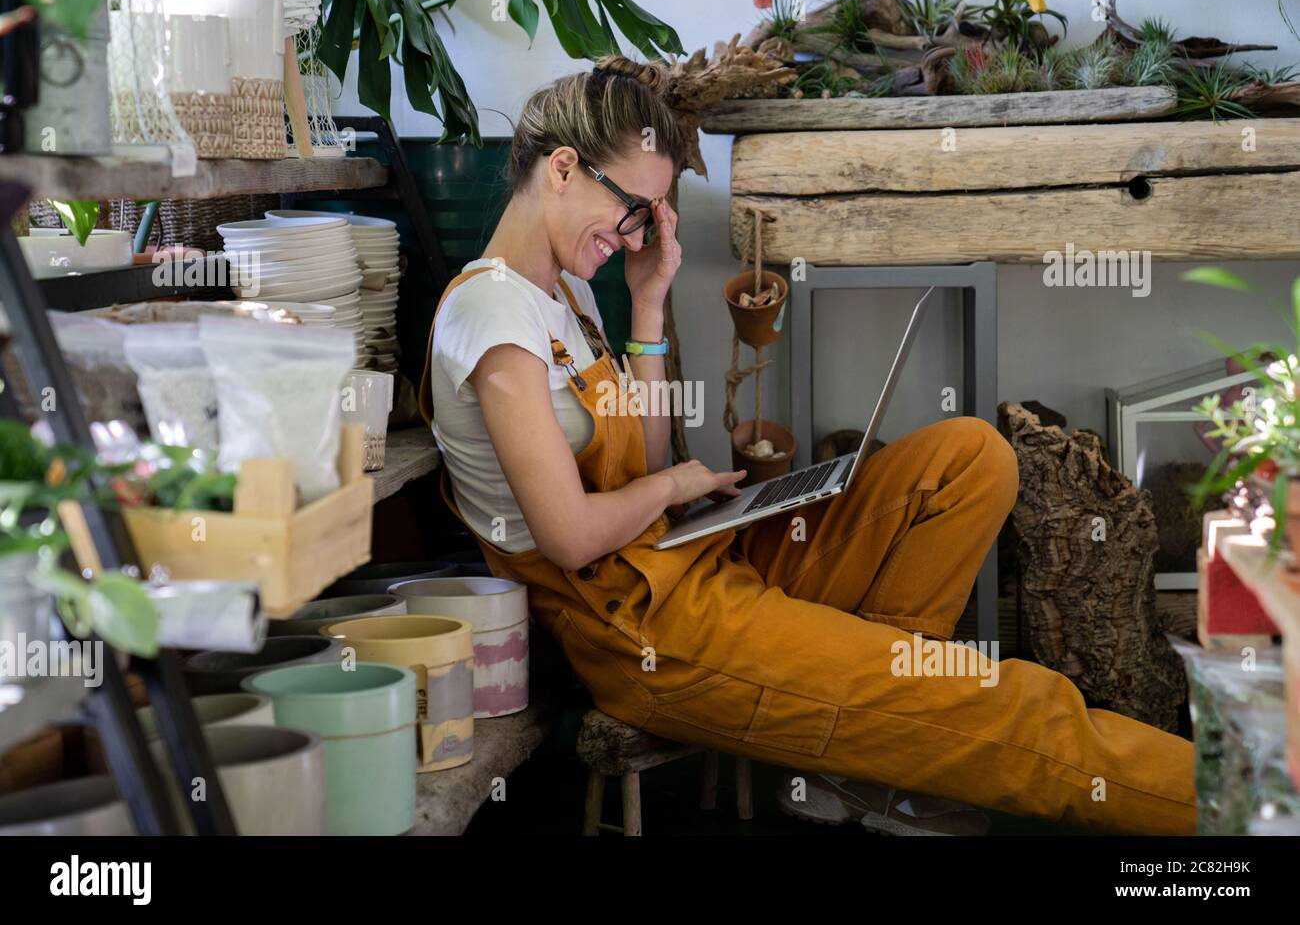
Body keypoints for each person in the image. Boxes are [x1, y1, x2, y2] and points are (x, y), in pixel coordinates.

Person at [419, 56, 1195, 835]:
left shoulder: (568, 291)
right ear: (563, 169)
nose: (635, 237)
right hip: (640, 628)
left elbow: (645, 461)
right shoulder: (491, 318)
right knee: (1000, 703)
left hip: (686, 559)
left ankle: (862, 752)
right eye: (635, 211)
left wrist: (648, 308)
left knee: (970, 456)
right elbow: (570, 534)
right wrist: (673, 486)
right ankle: (1236, 801)